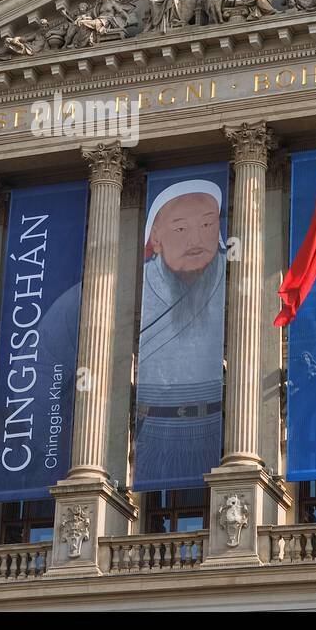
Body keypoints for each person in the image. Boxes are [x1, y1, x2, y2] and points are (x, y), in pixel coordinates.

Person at [135, 179, 227, 488]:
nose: (196, 240)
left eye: (206, 225)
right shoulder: (133, 288)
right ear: (156, 239)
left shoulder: (240, 277)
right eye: (180, 229)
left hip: (217, 424)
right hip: (153, 432)